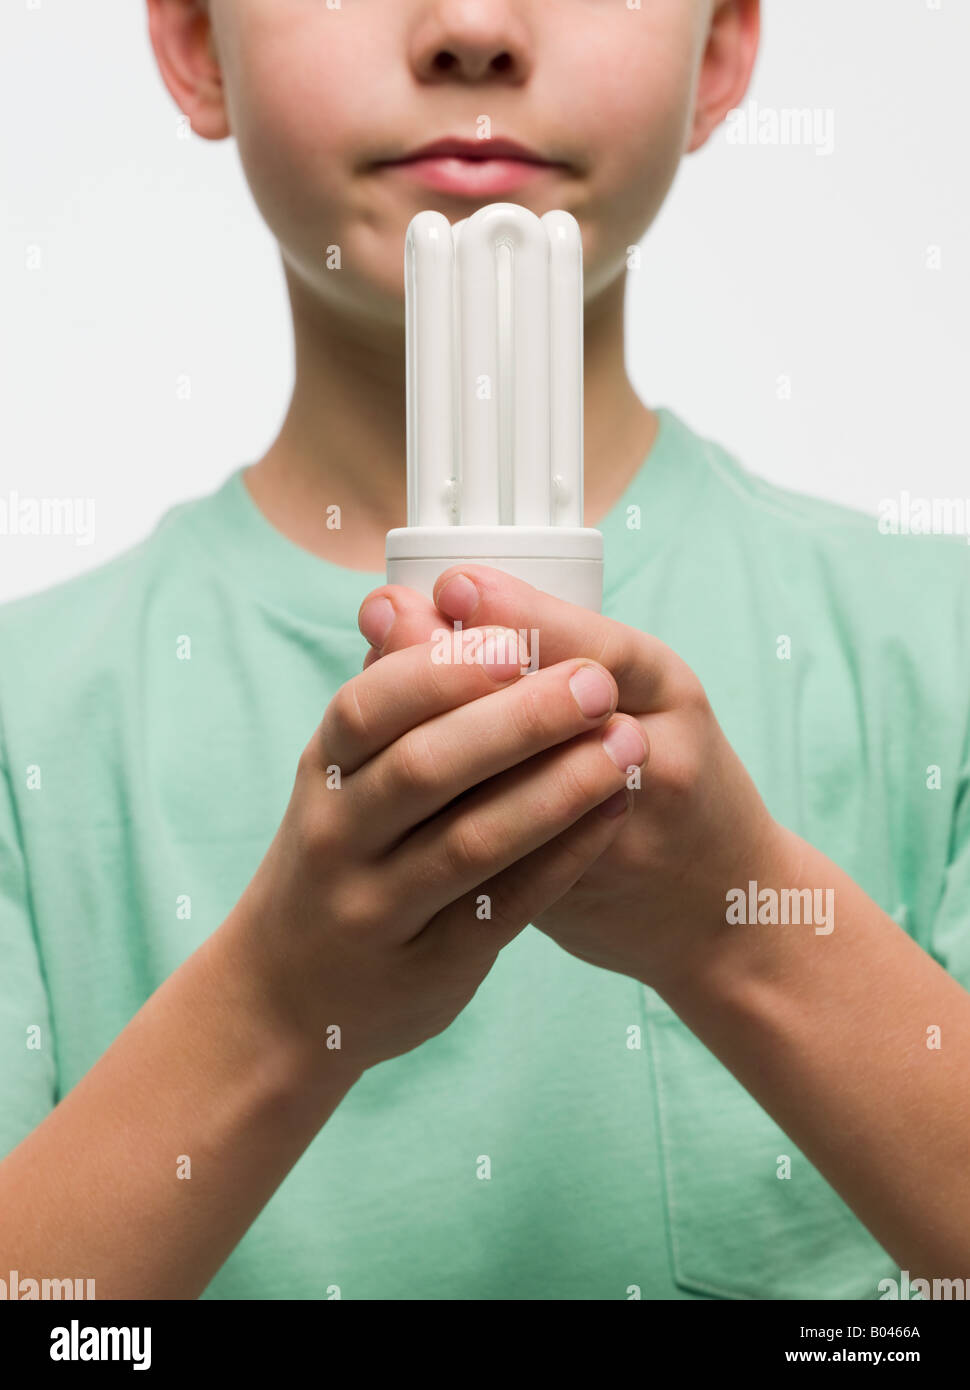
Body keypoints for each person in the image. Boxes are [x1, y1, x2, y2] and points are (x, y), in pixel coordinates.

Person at [1, 0, 967, 1301]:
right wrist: (279, 1005)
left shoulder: (933, 656)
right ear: (190, 40)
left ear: (722, 50)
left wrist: (741, 930)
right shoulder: (30, 733)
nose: (471, 26)